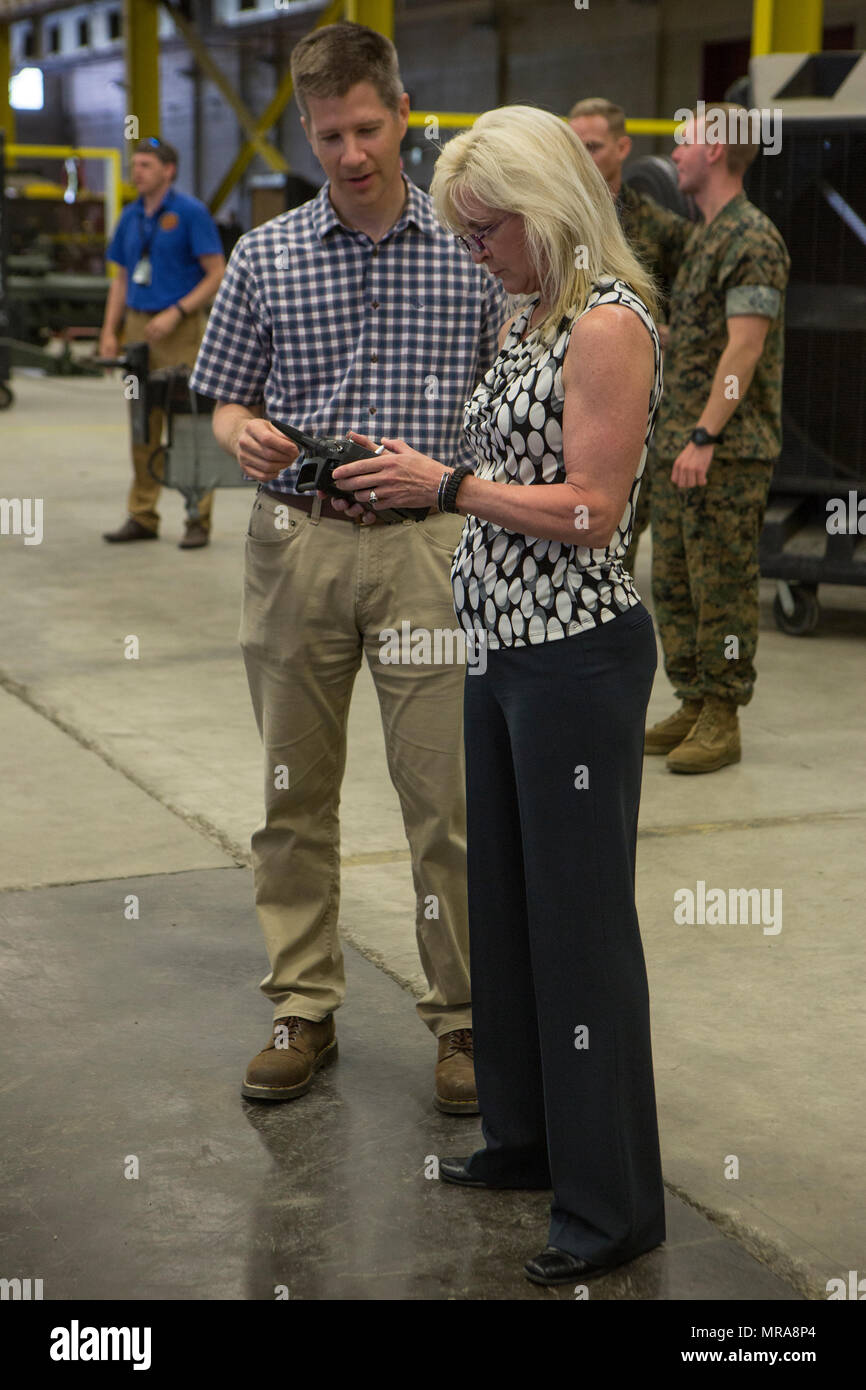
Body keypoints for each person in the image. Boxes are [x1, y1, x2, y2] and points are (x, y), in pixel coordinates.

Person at [331, 104, 666, 1286]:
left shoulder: (609, 326)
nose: (476, 251)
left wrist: (451, 484)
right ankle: (526, 1139)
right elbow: (496, 479)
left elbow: (591, 510)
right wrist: (408, 481)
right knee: (511, 916)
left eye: (488, 230)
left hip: (573, 659)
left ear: (548, 204)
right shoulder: (528, 314)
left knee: (578, 935)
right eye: (465, 234)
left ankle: (611, 1201)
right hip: (500, 649)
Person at [188, 22, 508, 1110]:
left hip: (428, 549)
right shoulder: (267, 256)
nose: (350, 153)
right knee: (292, 792)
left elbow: (509, 409)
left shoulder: (473, 252)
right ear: (306, 130)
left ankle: (461, 1021)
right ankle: (302, 1006)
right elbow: (221, 392)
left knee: (446, 800)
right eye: (328, 135)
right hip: (296, 546)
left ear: (401, 112)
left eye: (366, 127)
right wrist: (243, 434)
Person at [645, 103, 790, 772]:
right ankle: (694, 699)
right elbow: (705, 339)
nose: (675, 150)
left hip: (722, 451)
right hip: (680, 442)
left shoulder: (751, 239)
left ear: (719, 151)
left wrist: (705, 434)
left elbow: (745, 350)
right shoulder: (706, 235)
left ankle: (724, 714)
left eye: (687, 140)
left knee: (721, 586)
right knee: (675, 584)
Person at [568, 97, 691, 578]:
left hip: (637, 401)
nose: (583, 158)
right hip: (561, 395)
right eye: (574, 147)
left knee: (622, 521)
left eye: (593, 147)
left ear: (622, 148)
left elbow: (704, 292)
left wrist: (669, 331)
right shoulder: (560, 223)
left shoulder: (658, 226)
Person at [100, 138, 225, 549]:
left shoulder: (190, 213)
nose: (137, 172)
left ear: (169, 170)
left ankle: (197, 518)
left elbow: (216, 273)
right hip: (138, 329)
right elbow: (120, 278)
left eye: (147, 165)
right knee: (142, 423)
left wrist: (178, 311)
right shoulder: (130, 216)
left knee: (189, 422)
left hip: (181, 330)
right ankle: (142, 513)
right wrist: (109, 331)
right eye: (135, 164)